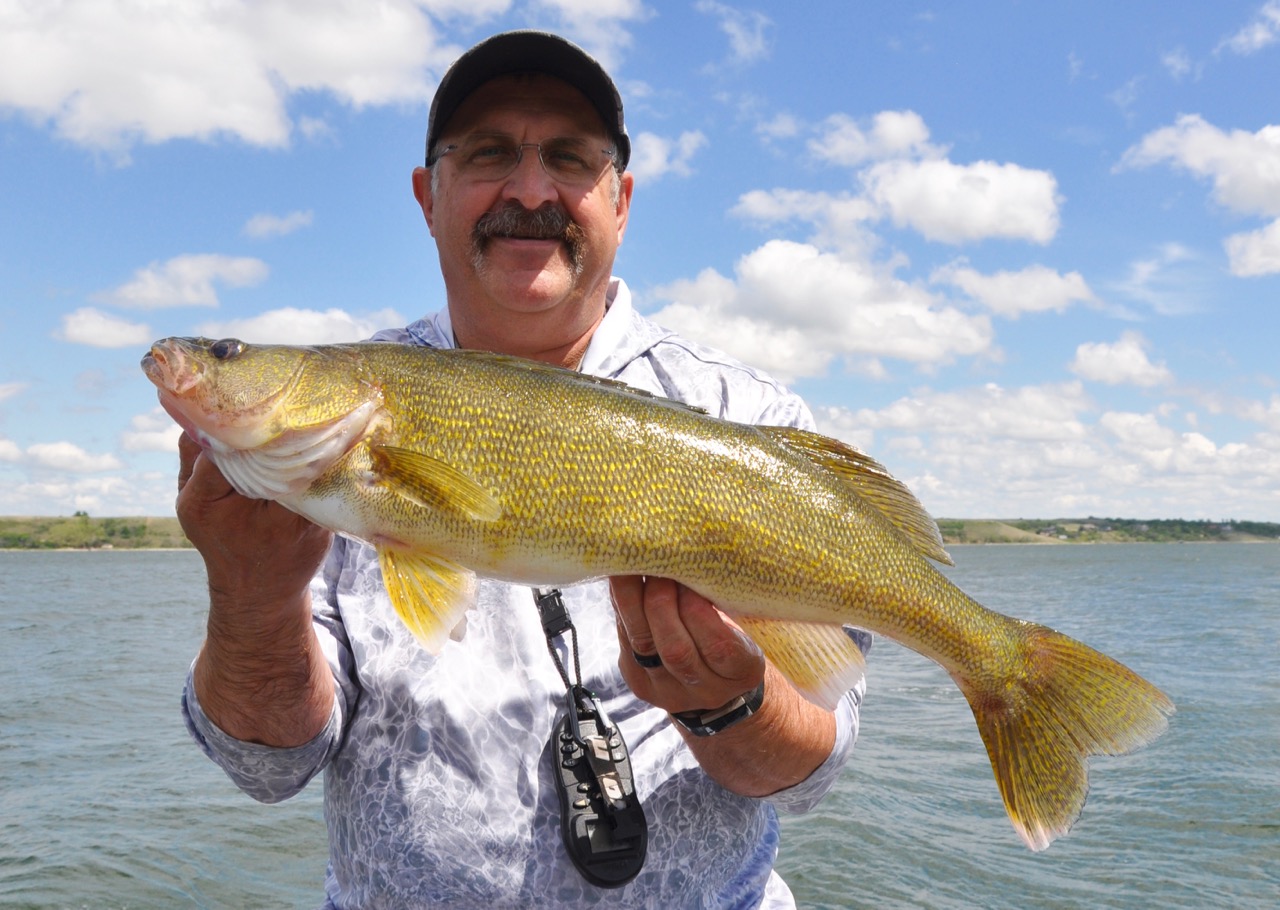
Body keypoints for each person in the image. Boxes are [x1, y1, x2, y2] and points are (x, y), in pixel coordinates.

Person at [178, 30, 866, 909]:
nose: (532, 190)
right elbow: (265, 766)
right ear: (428, 197)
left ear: (621, 200)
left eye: (571, 158)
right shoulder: (320, 458)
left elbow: (810, 773)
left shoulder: (746, 417)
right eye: (488, 153)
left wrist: (730, 705)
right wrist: (252, 597)